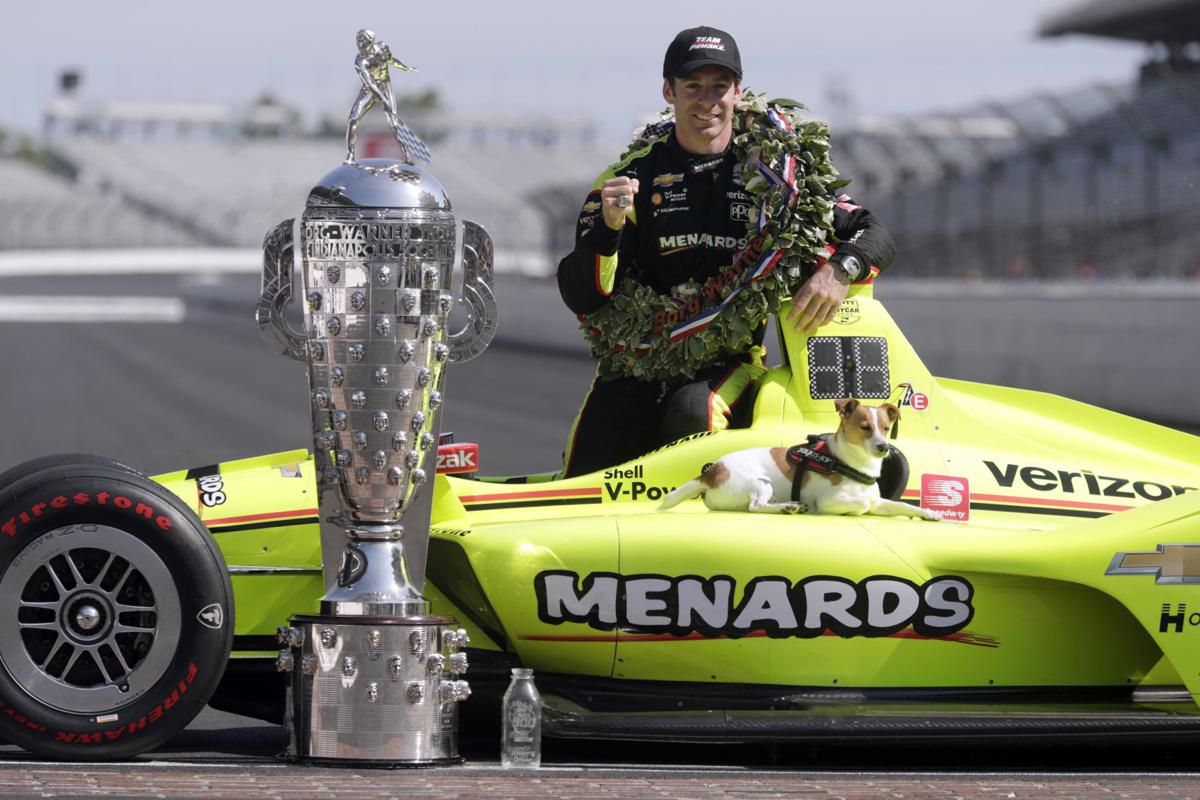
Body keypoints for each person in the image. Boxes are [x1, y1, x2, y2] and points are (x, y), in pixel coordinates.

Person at [556, 26, 896, 478]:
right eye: (692, 86)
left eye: (719, 86)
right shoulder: (629, 178)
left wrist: (838, 270)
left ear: (738, 91)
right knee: (589, 460)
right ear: (668, 91)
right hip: (638, 360)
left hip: (729, 363)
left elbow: (875, 232)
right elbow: (585, 297)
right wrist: (608, 230)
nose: (707, 101)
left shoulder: (779, 175)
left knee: (694, 412)